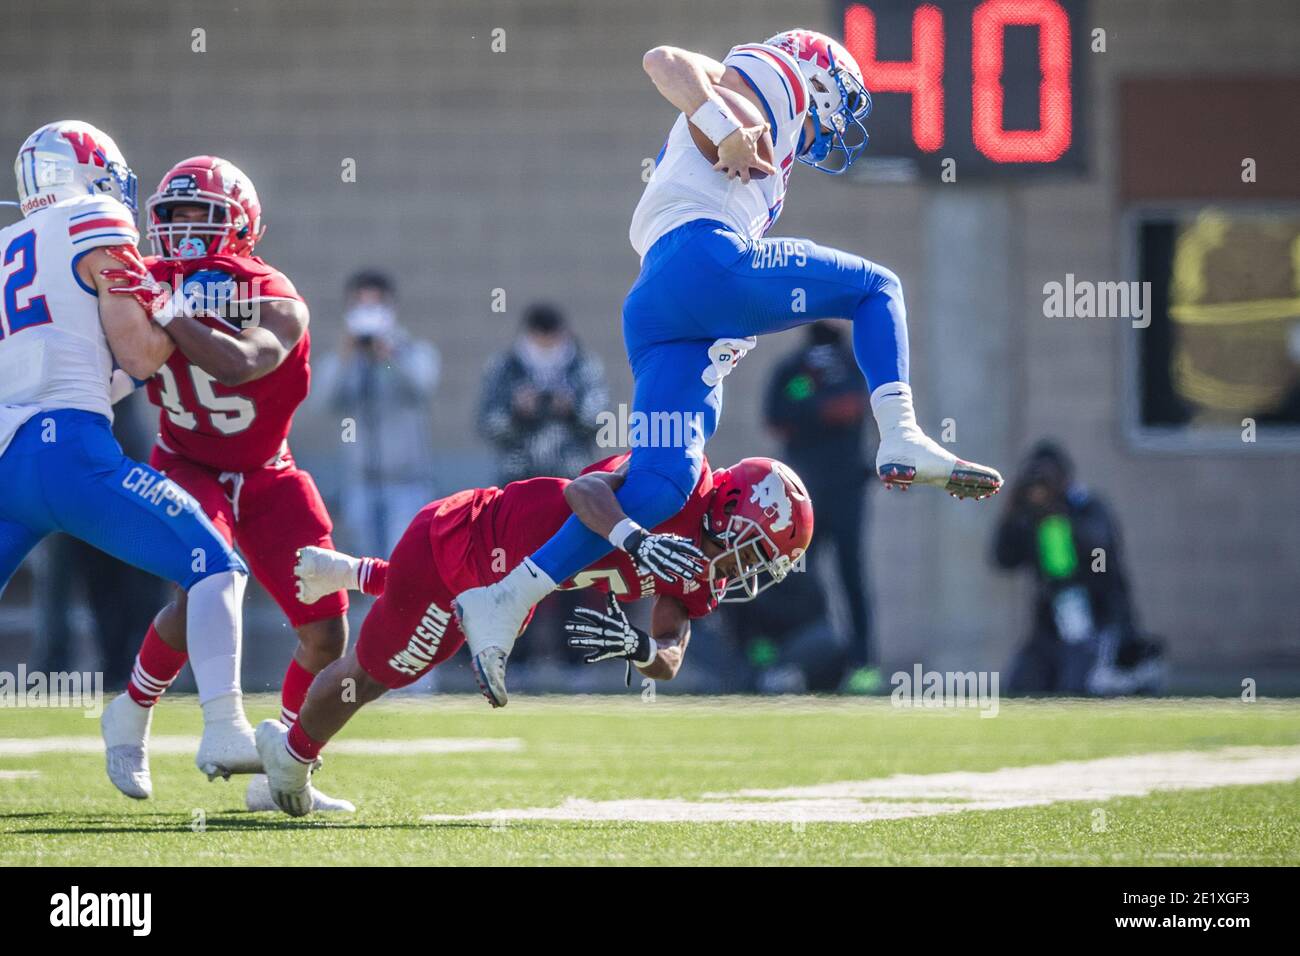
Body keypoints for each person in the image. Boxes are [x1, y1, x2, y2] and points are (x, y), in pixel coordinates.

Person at [452, 29, 1002, 707]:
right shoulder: (777, 79)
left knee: (662, 484)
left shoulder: (761, 102)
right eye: (840, 104)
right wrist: (726, 126)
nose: (834, 126)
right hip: (704, 261)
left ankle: (506, 600)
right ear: (818, 76)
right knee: (877, 288)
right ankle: (901, 433)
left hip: (663, 304)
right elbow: (663, 60)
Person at [255, 454, 813, 814]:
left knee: (431, 642)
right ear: (731, 511)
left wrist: (639, 647)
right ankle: (289, 761)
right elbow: (585, 490)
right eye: (756, 552)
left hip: (504, 589)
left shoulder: (699, 569)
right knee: (377, 675)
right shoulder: (675, 483)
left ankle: (356, 574)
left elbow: (670, 653)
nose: (747, 571)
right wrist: (637, 538)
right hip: (461, 544)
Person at [0, 122, 255, 794]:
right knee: (215, 565)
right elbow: (138, 354)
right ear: (89, 178)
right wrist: (180, 308)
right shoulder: (98, 220)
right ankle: (225, 724)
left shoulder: (6, 247)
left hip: (6, 461)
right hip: (72, 457)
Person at [96, 155, 352, 811]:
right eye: (172, 217)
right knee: (213, 577)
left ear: (240, 225)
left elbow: (242, 364)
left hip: (269, 470)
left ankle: (284, 767)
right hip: (186, 460)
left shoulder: (271, 291)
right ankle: (142, 710)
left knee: (327, 632)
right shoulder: (148, 278)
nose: (181, 230)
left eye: (198, 215)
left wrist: (170, 311)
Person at [992, 440, 1164, 696]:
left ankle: (1134, 676)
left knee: (1077, 689)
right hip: (1049, 629)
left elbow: (1099, 550)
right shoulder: (1031, 518)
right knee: (1020, 687)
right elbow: (1003, 559)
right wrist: (1013, 512)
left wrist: (1058, 513)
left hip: (1099, 622)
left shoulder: (1087, 508)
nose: (1041, 491)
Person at [765, 319, 875, 690]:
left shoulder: (853, 367)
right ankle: (805, 660)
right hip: (802, 493)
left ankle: (862, 662)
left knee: (851, 576)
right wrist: (815, 402)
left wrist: (814, 405)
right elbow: (778, 416)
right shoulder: (795, 368)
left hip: (846, 492)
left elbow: (851, 407)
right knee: (798, 577)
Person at [315, 270, 440, 556]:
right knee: (365, 566)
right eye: (361, 306)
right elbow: (323, 400)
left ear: (391, 309)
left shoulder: (413, 351)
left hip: (408, 481)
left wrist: (389, 354)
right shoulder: (347, 359)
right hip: (359, 481)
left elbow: (422, 385)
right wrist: (346, 353)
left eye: (375, 306)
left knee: (402, 562)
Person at [478, 302, 608, 485]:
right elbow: (488, 424)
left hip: (573, 479)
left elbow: (600, 421)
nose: (547, 345)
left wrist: (572, 410)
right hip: (518, 478)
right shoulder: (504, 367)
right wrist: (517, 413)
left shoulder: (584, 366)